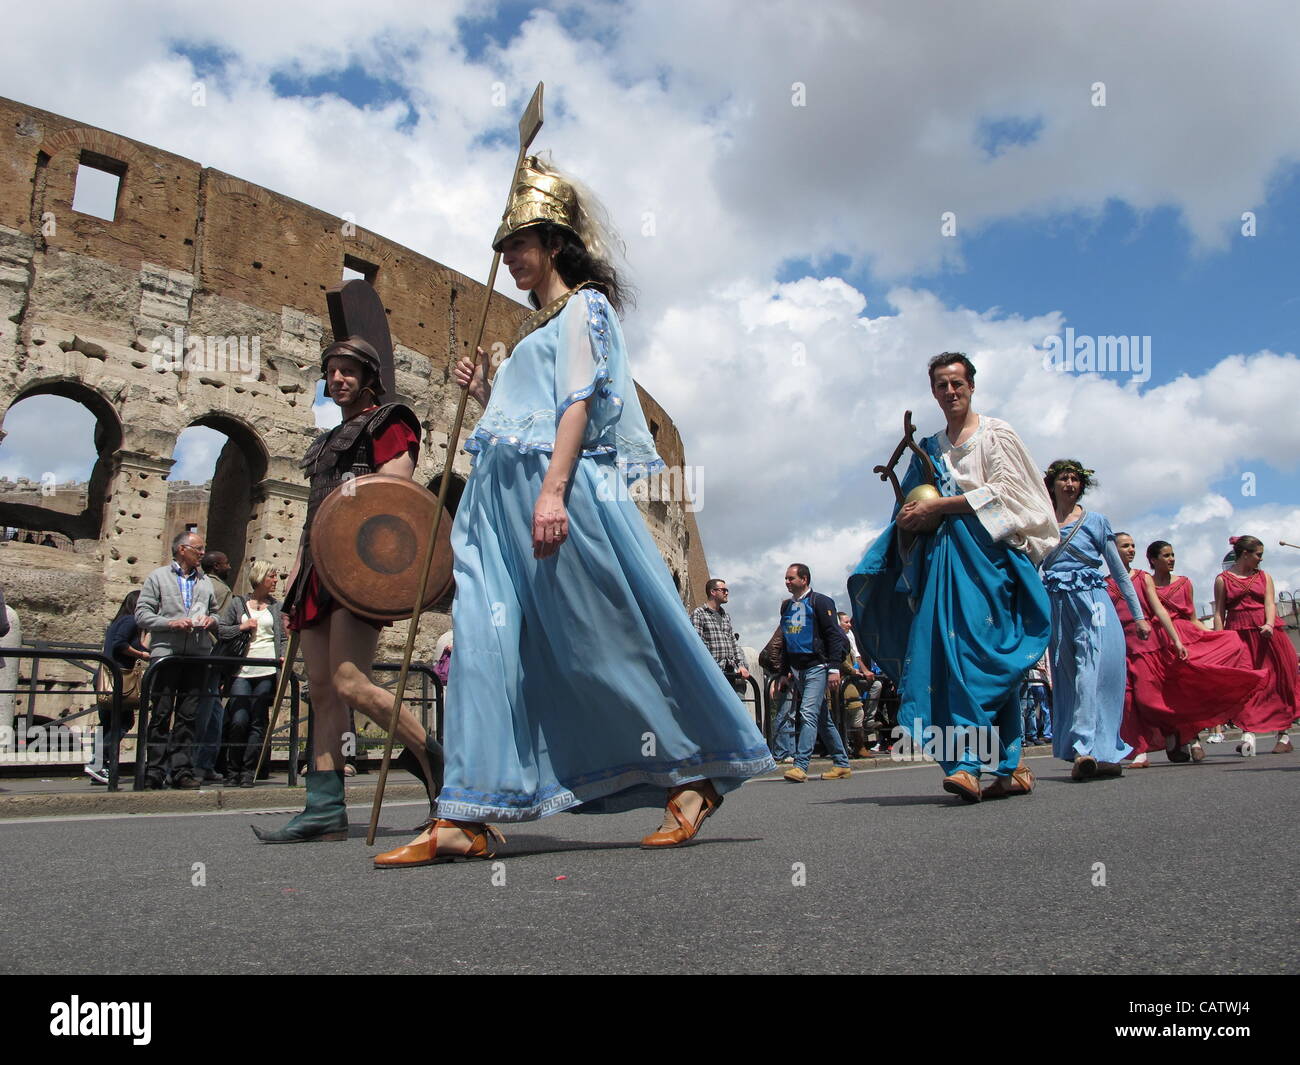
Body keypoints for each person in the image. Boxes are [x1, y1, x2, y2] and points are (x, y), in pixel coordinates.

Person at [373, 156, 773, 866]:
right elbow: (529, 403)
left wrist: (553, 491)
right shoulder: (533, 331)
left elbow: (577, 404)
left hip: (549, 498)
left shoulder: (586, 306)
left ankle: (691, 773)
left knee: (601, 645)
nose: (510, 259)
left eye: (519, 244)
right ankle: (466, 809)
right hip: (494, 506)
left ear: (555, 242)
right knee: (482, 644)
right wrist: (489, 381)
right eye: (502, 249)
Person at [253, 331, 443, 842]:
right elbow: (316, 513)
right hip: (315, 569)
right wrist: (296, 572)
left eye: (349, 370)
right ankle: (324, 805)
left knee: (350, 682)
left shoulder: (391, 420)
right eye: (332, 370)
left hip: (359, 565)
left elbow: (393, 496)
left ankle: (436, 756)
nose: (338, 378)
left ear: (368, 377)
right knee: (320, 691)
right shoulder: (322, 443)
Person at [849, 353, 1057, 802]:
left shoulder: (996, 435)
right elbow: (906, 506)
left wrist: (941, 506)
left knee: (987, 660)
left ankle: (991, 763)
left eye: (958, 383)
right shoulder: (927, 447)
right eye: (942, 384)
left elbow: (1009, 495)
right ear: (933, 391)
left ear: (972, 386)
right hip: (942, 562)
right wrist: (910, 517)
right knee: (949, 661)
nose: (950, 391)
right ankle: (987, 766)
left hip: (990, 559)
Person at [1042, 461, 1150, 781]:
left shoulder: (1097, 522)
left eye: (1075, 478)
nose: (1070, 483)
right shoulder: (1042, 523)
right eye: (1064, 478)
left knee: (1091, 672)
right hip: (1057, 603)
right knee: (1068, 674)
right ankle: (1099, 753)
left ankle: (1086, 748)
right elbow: (1030, 568)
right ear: (1052, 484)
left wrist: (1139, 616)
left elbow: (1119, 573)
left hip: (1093, 603)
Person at [1125, 538, 1265, 765]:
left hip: (1188, 636)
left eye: (1172, 555)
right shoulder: (1145, 582)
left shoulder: (1185, 582)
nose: (1172, 559)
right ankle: (1186, 738)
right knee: (1169, 694)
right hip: (1162, 641)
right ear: (1153, 560)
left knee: (1193, 687)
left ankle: (1193, 738)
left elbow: (1192, 618)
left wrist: (1219, 636)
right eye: (1166, 555)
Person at [135, 530, 220, 789]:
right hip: (166, 654)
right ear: (182, 549)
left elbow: (216, 613)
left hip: (196, 653)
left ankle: (181, 769)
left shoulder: (205, 582)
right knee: (161, 713)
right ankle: (154, 769)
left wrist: (210, 620)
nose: (203, 553)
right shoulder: (158, 577)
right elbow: (141, 614)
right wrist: (170, 623)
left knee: (188, 715)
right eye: (198, 549)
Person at [1213, 536, 1299, 756]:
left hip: (1267, 634)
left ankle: (1284, 734)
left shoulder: (1264, 577)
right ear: (1244, 554)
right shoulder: (1223, 579)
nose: (1260, 559)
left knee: (1277, 682)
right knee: (1246, 684)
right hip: (1238, 634)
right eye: (1258, 554)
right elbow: (1219, 612)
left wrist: (1270, 623)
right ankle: (1248, 733)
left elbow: (1269, 602)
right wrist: (1221, 638)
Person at [775, 565, 852, 783]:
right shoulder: (787, 607)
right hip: (797, 669)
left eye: (791, 578)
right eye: (786, 579)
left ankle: (800, 766)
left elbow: (833, 635)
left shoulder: (821, 602)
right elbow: (788, 640)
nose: (787, 582)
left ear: (804, 579)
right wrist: (783, 671)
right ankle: (842, 763)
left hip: (817, 667)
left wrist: (834, 667)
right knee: (821, 718)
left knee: (807, 713)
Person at [218, 561, 285, 788]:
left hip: (266, 669)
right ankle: (231, 769)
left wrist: (282, 657)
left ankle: (248, 771)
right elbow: (222, 629)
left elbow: (282, 638)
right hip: (241, 670)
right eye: (272, 576)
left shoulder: (276, 607)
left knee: (258, 722)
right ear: (260, 578)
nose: (276, 581)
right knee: (238, 720)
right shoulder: (238, 604)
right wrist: (242, 628)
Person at [193, 549, 234, 780]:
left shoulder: (198, 583)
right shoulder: (222, 589)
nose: (229, 567)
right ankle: (199, 763)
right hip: (211, 656)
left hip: (195, 653)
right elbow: (225, 626)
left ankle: (202, 762)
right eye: (226, 563)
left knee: (211, 712)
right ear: (217, 566)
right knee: (207, 712)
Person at [691, 578, 751, 694]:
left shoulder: (725, 616)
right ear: (713, 592)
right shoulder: (699, 613)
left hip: (731, 671)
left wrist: (741, 665)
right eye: (723, 590)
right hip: (713, 672)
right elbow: (696, 644)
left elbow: (733, 643)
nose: (727, 593)